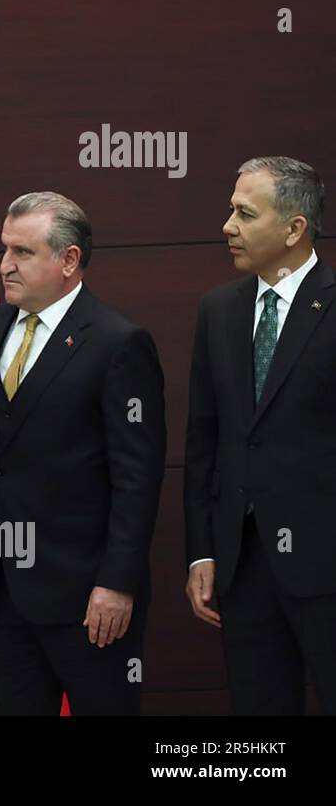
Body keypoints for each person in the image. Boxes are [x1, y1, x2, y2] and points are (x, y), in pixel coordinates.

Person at [0, 192, 165, 715]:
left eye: (23, 252)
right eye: (4, 249)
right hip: (1, 594)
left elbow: (138, 478)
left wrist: (116, 583)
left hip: (88, 600)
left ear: (68, 260)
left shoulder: (118, 342)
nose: (5, 265)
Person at [184, 156, 336, 714]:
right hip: (243, 567)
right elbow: (204, 441)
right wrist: (201, 550)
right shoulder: (218, 311)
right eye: (231, 210)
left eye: (245, 214)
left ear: (295, 228)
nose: (227, 225)